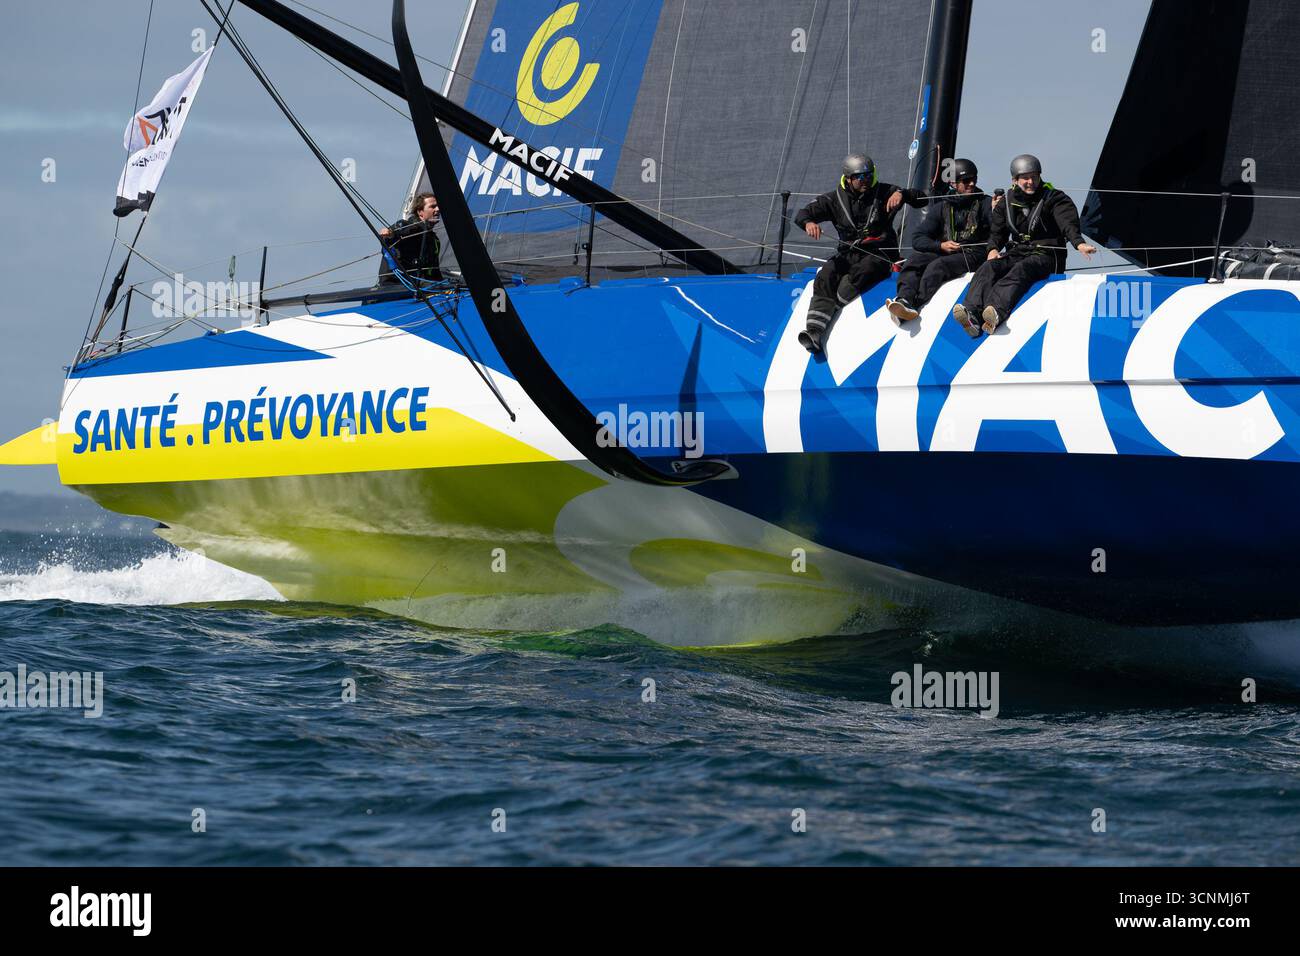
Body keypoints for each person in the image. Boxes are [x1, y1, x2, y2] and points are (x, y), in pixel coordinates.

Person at [951, 154, 1097, 338]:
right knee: (989, 266)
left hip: (1048, 254)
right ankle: (971, 313)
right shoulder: (1007, 201)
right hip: (1019, 251)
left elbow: (1067, 222)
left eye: (1034, 177)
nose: (1031, 182)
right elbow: (997, 232)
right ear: (1015, 180)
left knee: (1022, 269)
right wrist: (993, 248)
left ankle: (995, 312)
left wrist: (1079, 243)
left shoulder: (1055, 198)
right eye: (1025, 178)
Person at [793, 153, 925, 353]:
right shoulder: (833, 199)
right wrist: (809, 223)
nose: (866, 180)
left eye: (869, 175)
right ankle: (814, 331)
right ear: (848, 178)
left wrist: (903, 194)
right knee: (826, 274)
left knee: (866, 270)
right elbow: (802, 214)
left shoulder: (885, 191)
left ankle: (832, 308)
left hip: (880, 253)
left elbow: (921, 199)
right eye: (860, 177)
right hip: (849, 253)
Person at [887, 158, 993, 324]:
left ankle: (914, 304)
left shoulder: (986, 203)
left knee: (938, 266)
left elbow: (998, 231)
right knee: (915, 260)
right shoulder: (942, 207)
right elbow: (918, 238)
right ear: (953, 184)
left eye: (974, 179)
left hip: (974, 254)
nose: (971, 184)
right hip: (946, 251)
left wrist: (999, 210)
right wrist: (940, 245)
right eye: (966, 181)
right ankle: (903, 299)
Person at [378, 191, 443, 286]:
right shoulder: (408, 227)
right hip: (394, 285)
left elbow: (434, 272)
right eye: (432, 206)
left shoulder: (435, 241)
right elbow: (392, 235)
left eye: (438, 206)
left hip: (418, 285)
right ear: (420, 212)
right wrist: (389, 233)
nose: (438, 209)